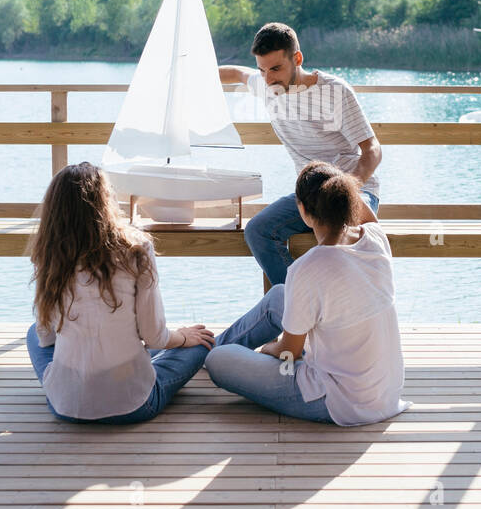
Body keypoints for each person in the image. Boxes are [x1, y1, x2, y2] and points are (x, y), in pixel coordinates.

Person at [205, 161, 411, 426]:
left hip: (337, 399)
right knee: (280, 294)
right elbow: (364, 211)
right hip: (385, 393)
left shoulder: (307, 267)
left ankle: (204, 350)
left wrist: (267, 350)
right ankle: (209, 344)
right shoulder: (375, 238)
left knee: (218, 360)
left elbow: (289, 351)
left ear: (302, 210)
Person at [24, 161, 216, 424]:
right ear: (105, 202)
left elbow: (45, 336)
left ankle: (81, 373)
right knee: (202, 341)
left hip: (66, 405)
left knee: (34, 333)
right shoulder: (136, 249)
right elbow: (154, 337)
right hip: (132, 404)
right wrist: (183, 337)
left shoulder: (49, 255)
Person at [218, 22, 382, 286]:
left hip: (351, 191)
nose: (269, 79)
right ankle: (299, 302)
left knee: (334, 245)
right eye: (262, 70)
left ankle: (340, 312)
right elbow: (237, 73)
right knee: (258, 231)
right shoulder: (267, 85)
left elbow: (372, 149)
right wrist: (186, 78)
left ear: (297, 58)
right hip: (310, 195)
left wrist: (349, 186)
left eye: (275, 69)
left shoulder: (334, 91)